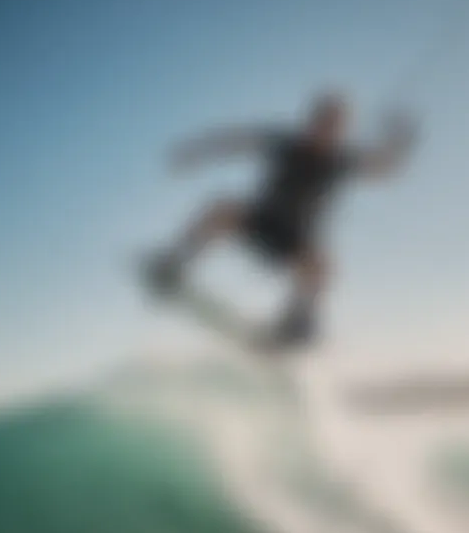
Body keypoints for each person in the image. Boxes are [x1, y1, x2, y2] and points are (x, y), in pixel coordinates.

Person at [146, 92, 416, 349]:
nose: (326, 131)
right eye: (323, 122)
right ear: (312, 122)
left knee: (322, 265)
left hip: (294, 242)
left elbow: (384, 168)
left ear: (340, 131)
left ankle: (297, 322)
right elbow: (235, 141)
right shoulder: (285, 143)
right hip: (261, 222)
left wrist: (401, 139)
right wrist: (194, 151)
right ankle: (172, 266)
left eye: (335, 126)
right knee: (221, 208)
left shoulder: (341, 161)